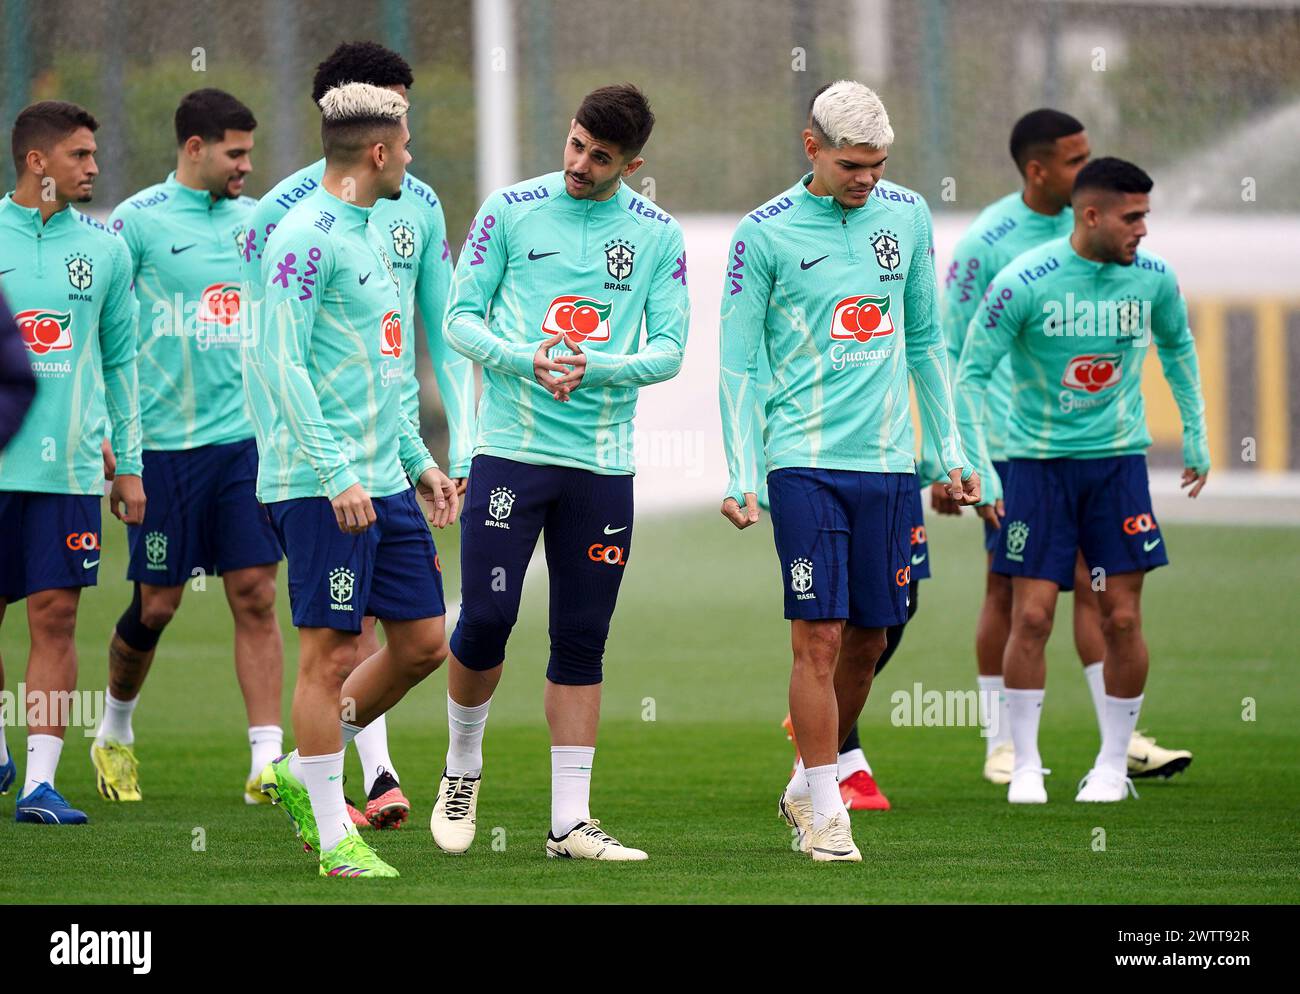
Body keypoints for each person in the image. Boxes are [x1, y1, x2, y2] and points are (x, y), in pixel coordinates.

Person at [719, 80, 977, 861]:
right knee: (820, 636)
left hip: (891, 467)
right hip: (803, 463)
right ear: (811, 147)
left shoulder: (907, 215)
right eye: (851, 164)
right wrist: (742, 471)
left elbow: (927, 342)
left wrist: (949, 456)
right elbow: (739, 366)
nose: (866, 178)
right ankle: (828, 814)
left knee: (873, 635)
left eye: (878, 164)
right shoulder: (761, 235)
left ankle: (807, 779)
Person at [432, 83, 688, 861]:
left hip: (602, 468)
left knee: (581, 638)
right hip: (510, 451)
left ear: (631, 163)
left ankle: (568, 823)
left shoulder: (658, 236)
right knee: (485, 619)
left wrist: (597, 366)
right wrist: (525, 359)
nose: (579, 164)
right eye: (576, 145)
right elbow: (457, 319)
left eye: (600, 157)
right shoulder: (509, 209)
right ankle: (461, 767)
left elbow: (670, 350)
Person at [240, 41, 474, 829]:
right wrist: (336, 470)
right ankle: (331, 827)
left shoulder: (377, 229)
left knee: (421, 644)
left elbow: (384, 366)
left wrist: (419, 461)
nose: (414, 154)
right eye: (404, 142)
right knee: (331, 653)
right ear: (378, 152)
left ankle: (298, 769)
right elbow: (276, 360)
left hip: (383, 475)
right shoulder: (302, 235)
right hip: (320, 483)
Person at [938, 109, 1191, 785]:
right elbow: (951, 349)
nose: (1090, 166)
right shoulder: (990, 243)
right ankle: (1003, 742)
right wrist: (956, 456)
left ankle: (1119, 739)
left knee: (1098, 588)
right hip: (1011, 443)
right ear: (1038, 170)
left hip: (1097, 449)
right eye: (1076, 160)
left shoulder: (1107, 231)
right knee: (1014, 591)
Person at [88, 89, 285, 807]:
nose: (247, 165)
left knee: (257, 594)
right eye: (236, 152)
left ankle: (267, 760)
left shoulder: (259, 223)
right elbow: (103, 332)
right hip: (163, 449)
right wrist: (115, 440)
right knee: (159, 604)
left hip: (244, 446)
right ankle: (114, 729)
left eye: (249, 153)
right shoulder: (135, 223)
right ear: (195, 148)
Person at [0, 101, 144, 822]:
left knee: (54, 617)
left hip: (68, 472)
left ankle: (38, 786)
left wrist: (131, 463)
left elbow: (122, 363)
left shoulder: (107, 249)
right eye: (80, 156)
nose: (93, 167)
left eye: (93, 155)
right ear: (37, 162)